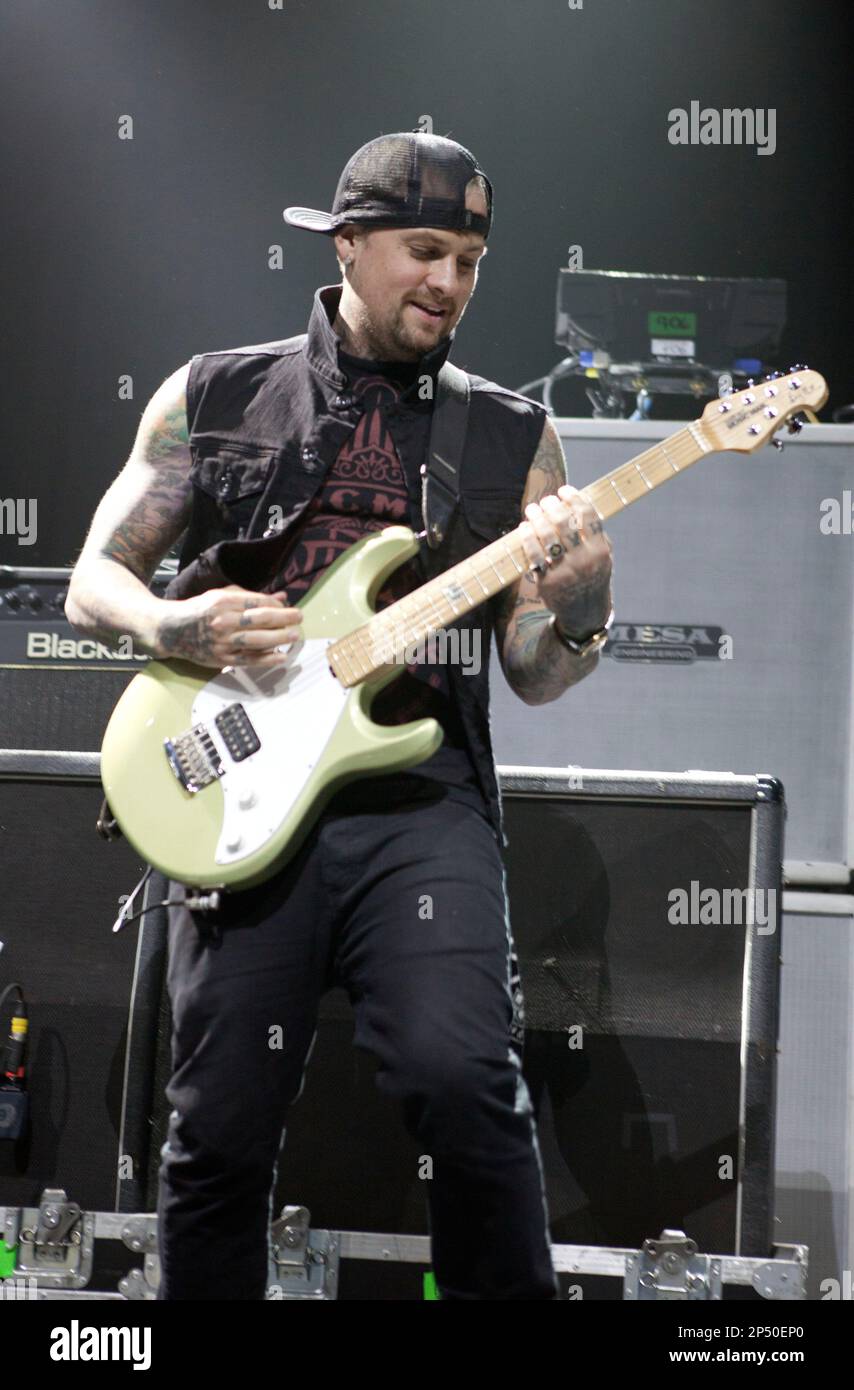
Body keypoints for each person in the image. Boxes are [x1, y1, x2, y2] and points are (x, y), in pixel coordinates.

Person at [66, 132, 613, 1300]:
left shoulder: (512, 434)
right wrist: (180, 628)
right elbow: (92, 583)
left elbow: (530, 670)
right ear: (348, 244)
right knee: (216, 1133)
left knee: (466, 1083)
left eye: (469, 260)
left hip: (420, 799)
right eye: (424, 252)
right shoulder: (216, 392)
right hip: (239, 788)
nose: (448, 284)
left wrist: (579, 606)